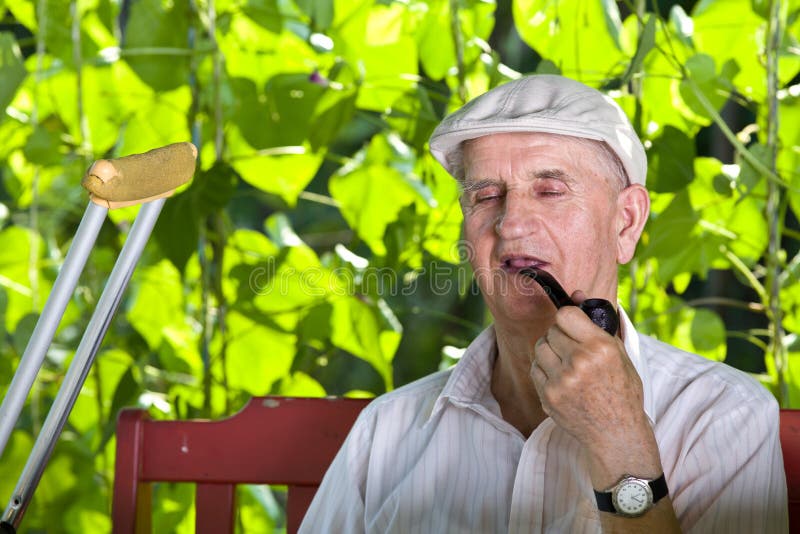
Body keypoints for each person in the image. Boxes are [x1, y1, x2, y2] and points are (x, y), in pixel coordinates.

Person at [299, 75, 788, 533]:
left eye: (550, 190)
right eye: (486, 195)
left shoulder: (723, 417)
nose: (510, 223)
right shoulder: (385, 432)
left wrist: (619, 439)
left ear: (625, 223)